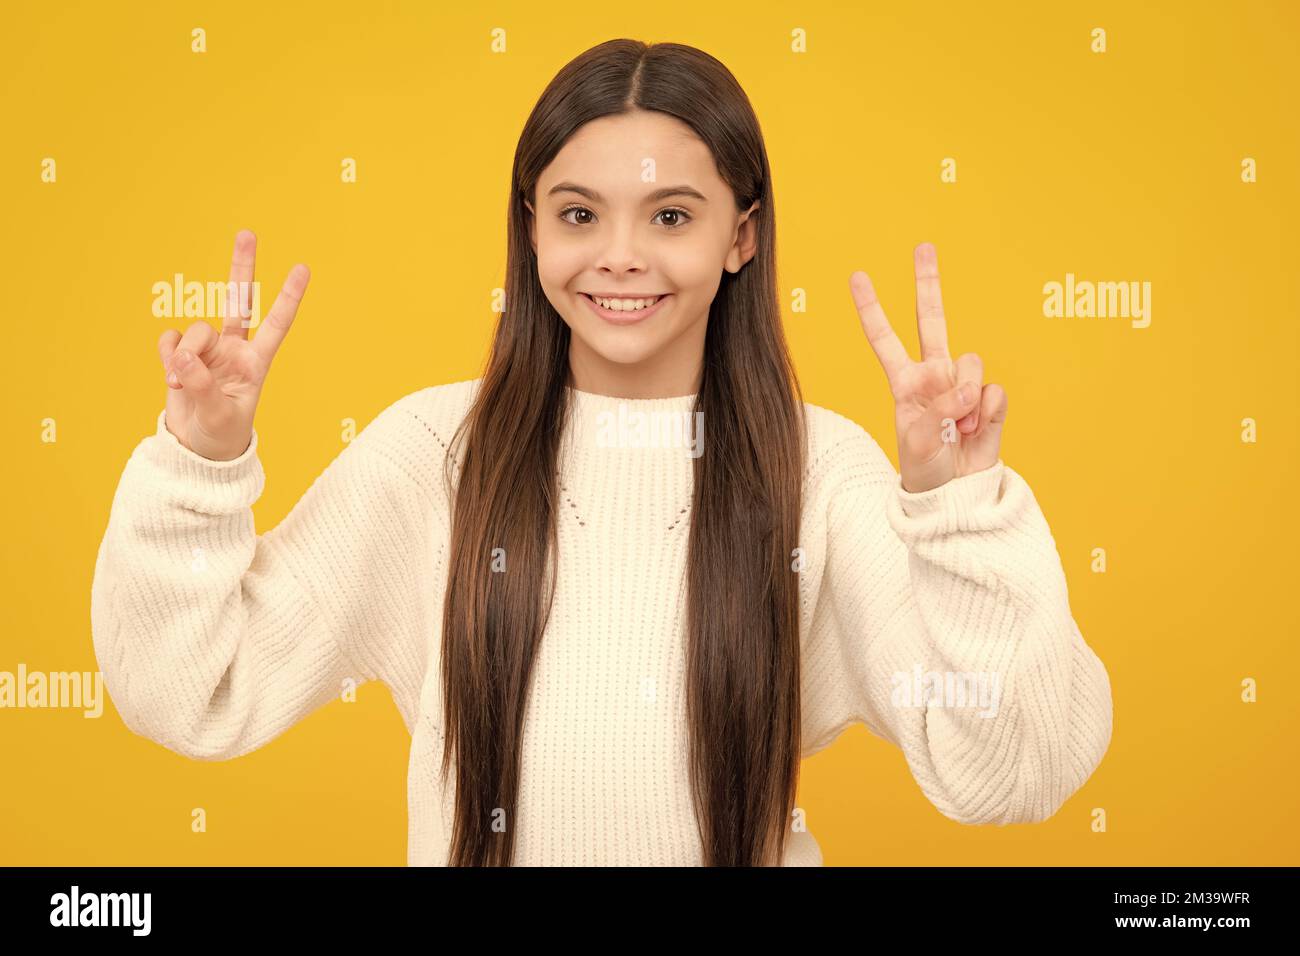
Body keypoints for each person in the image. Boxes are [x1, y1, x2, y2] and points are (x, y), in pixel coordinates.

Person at [90, 38, 1113, 867]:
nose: (619, 254)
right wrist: (198, 460)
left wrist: (958, 506)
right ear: (531, 228)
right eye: (579, 213)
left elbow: (1016, 767)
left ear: (740, 236)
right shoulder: (430, 456)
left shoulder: (823, 475)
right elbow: (190, 689)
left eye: (670, 214)